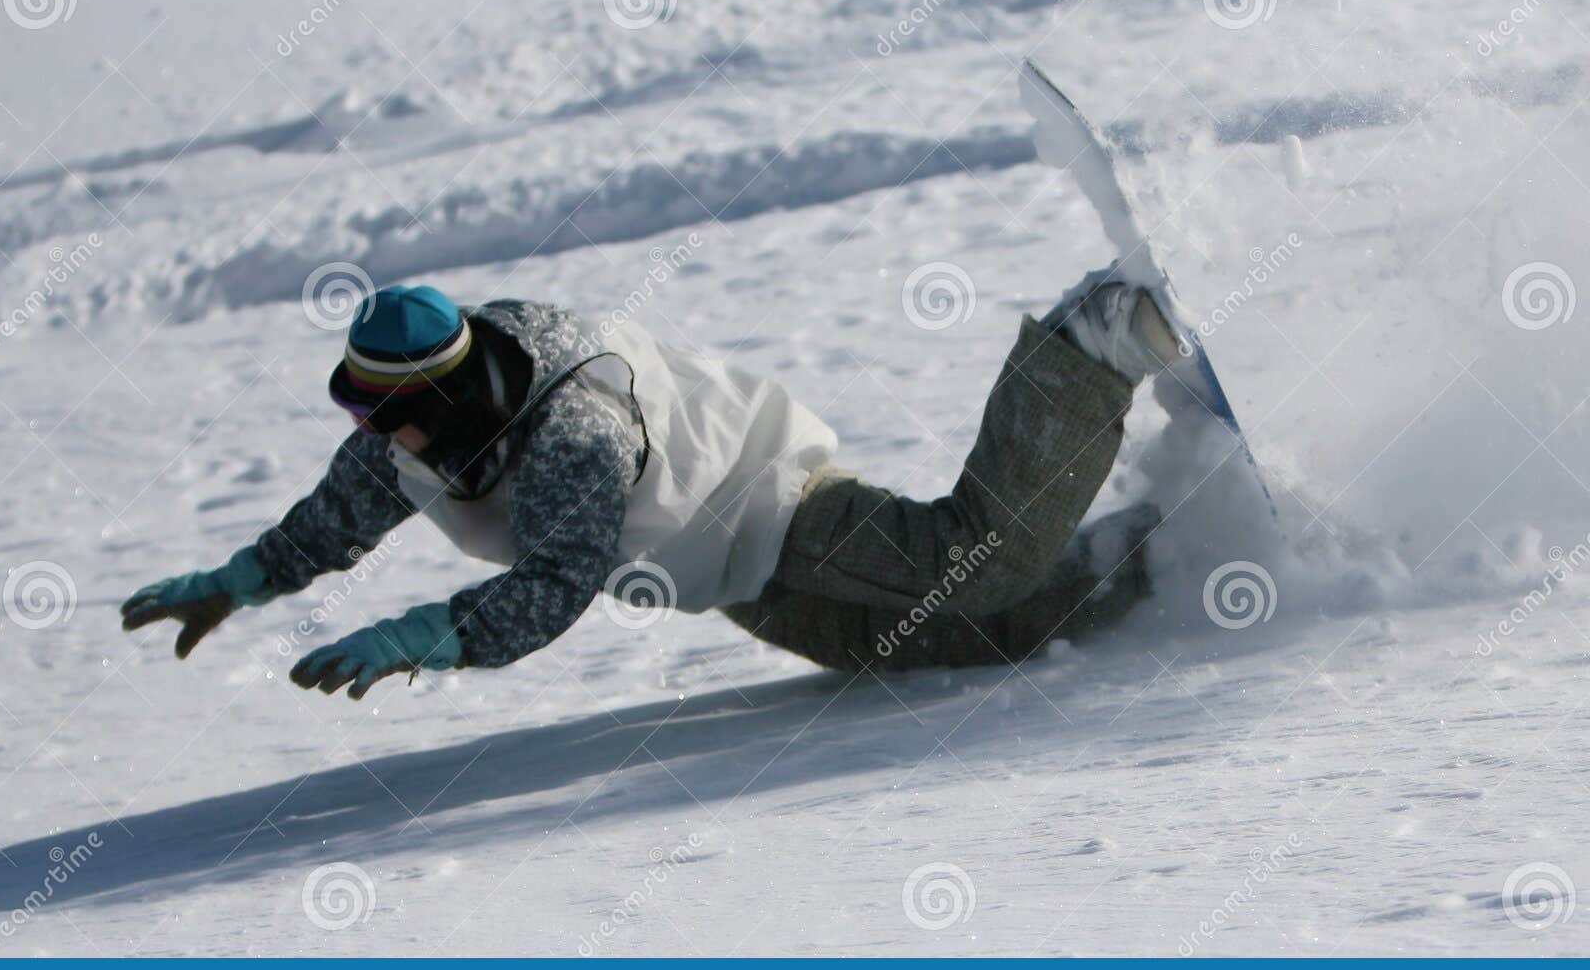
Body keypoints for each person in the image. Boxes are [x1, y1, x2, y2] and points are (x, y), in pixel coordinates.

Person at [120, 268, 1189, 699]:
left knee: (975, 559)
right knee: (946, 643)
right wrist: (245, 575)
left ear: (438, 398)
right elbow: (344, 508)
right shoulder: (425, 423)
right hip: (726, 570)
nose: (368, 434)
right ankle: (1160, 552)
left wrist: (420, 637)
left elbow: (556, 581)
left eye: (377, 412)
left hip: (768, 502)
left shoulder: (575, 428)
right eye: (355, 411)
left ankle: (1085, 345)